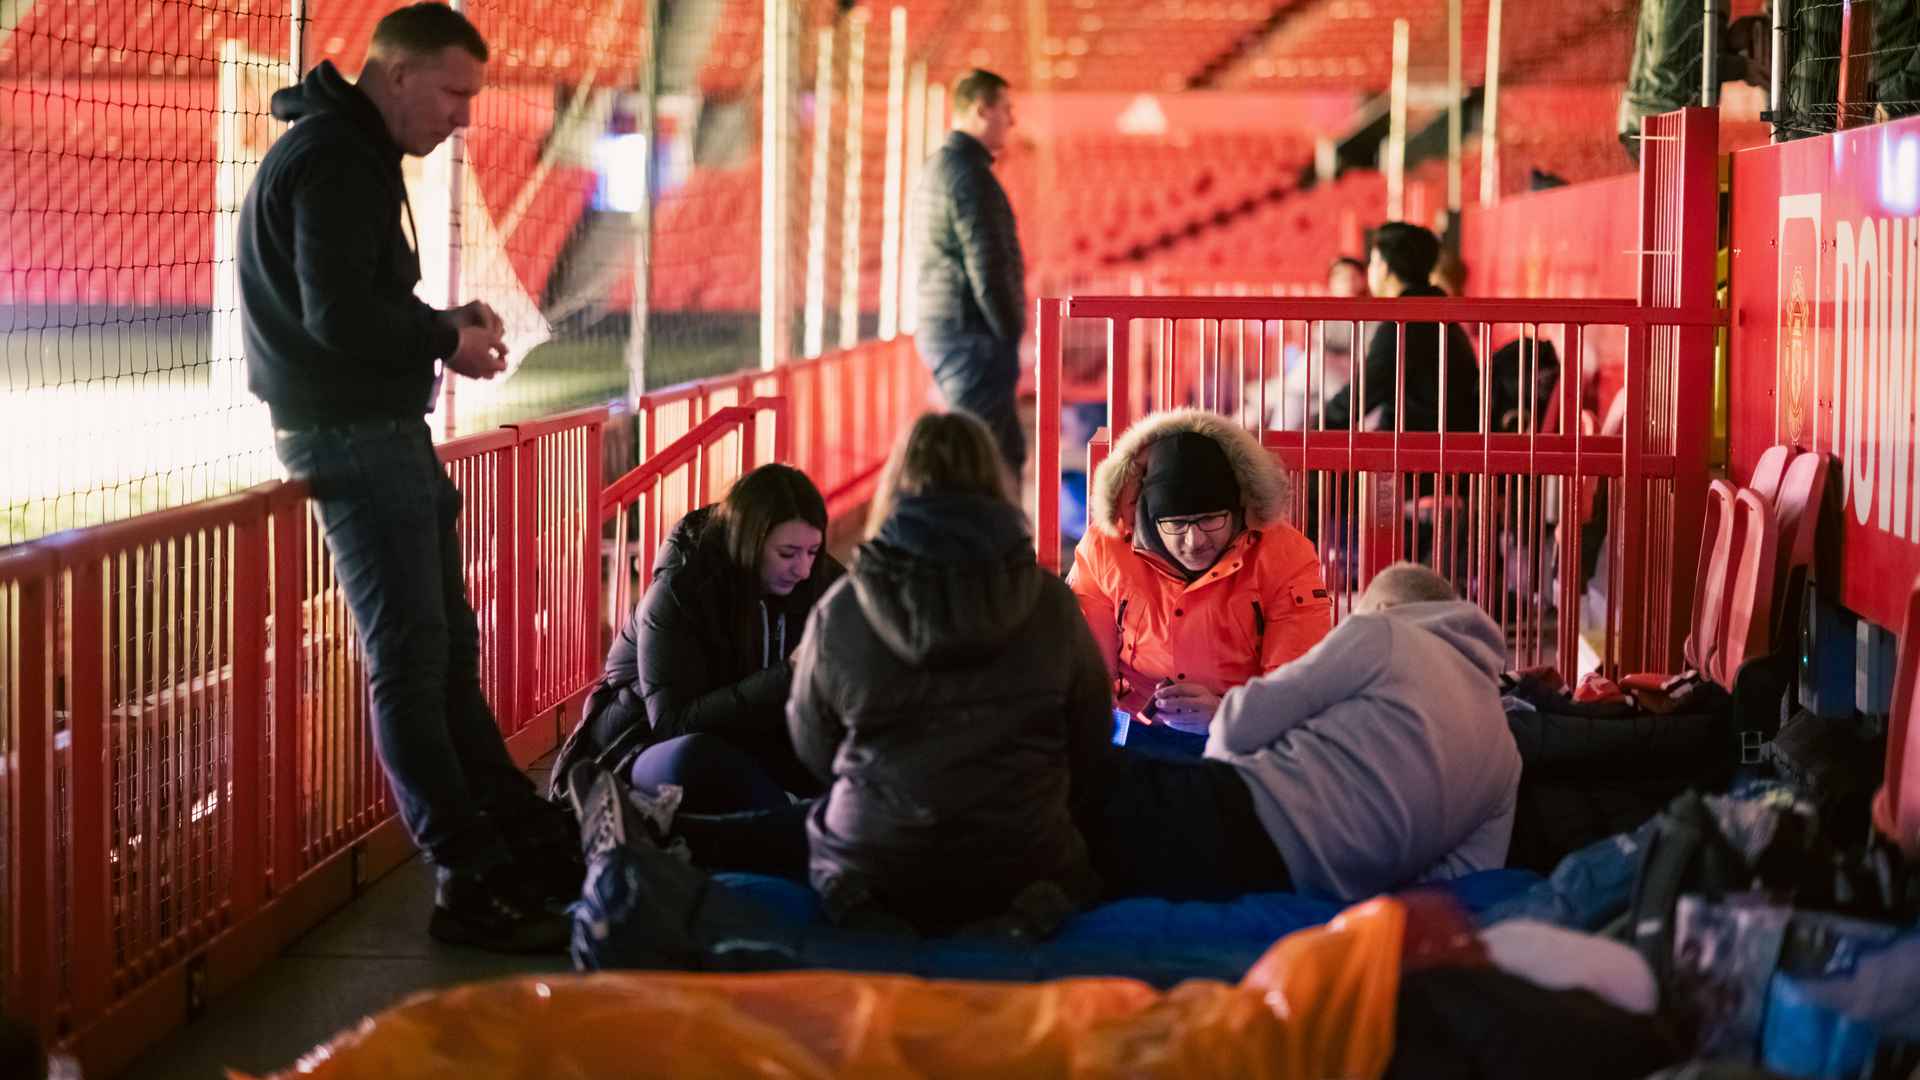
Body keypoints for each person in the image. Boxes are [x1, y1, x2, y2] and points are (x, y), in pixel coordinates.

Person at [239, 3, 574, 952]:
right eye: (453, 92)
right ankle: (472, 881)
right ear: (395, 77)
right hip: (352, 438)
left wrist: (444, 322)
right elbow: (338, 317)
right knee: (413, 668)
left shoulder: (345, 152)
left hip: (374, 432)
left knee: (441, 660)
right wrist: (443, 338)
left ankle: (512, 844)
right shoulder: (336, 161)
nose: (464, 116)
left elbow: (352, 303)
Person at [787, 411, 1111, 936]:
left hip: (875, 860)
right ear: (996, 482)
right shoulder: (1050, 602)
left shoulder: (843, 604)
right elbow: (1090, 740)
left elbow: (811, 743)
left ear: (897, 483)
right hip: (1020, 862)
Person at [1076, 562, 1522, 902]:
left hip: (1246, 815)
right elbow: (1465, 879)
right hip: (1326, 892)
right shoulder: (1505, 751)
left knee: (1083, 786)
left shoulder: (1385, 635)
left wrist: (1225, 794)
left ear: (1384, 609)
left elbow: (1240, 721)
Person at [559, 464, 844, 803]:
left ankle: (793, 819)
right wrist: (789, 672)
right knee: (695, 758)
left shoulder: (814, 580)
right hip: (640, 750)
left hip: (754, 745)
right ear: (750, 541)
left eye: (813, 552)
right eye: (788, 553)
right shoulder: (680, 587)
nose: (803, 569)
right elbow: (671, 726)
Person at [1067, 408, 1332, 755]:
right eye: (1175, 524)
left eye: (1211, 520)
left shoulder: (1284, 554)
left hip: (1246, 734)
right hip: (1136, 728)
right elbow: (1085, 669)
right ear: (1147, 516)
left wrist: (1226, 714)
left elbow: (1296, 685)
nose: (1194, 541)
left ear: (1238, 510)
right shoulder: (1105, 549)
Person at [912, 69, 1028, 472]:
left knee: (980, 452)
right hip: (971, 338)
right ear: (982, 110)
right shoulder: (969, 176)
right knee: (989, 460)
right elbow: (988, 265)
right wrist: (1012, 332)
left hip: (951, 331)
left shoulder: (942, 168)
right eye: (1006, 110)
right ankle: (987, 536)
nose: (1012, 121)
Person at [1321, 222, 1481, 435]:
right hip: (1442, 444)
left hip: (1422, 454)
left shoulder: (1404, 324)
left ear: (1385, 268)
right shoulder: (1435, 310)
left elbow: (1361, 395)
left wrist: (1314, 428)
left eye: (1373, 262)